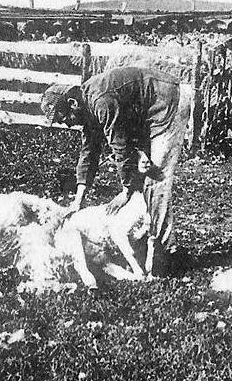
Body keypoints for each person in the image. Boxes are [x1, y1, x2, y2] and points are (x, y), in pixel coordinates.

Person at [40, 64, 192, 277]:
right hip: (148, 109)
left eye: (65, 119)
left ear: (72, 104)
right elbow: (89, 152)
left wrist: (126, 191)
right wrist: (78, 200)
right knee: (143, 169)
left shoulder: (101, 102)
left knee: (156, 177)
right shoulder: (88, 107)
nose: (67, 125)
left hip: (167, 102)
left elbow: (119, 145)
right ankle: (146, 242)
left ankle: (164, 253)